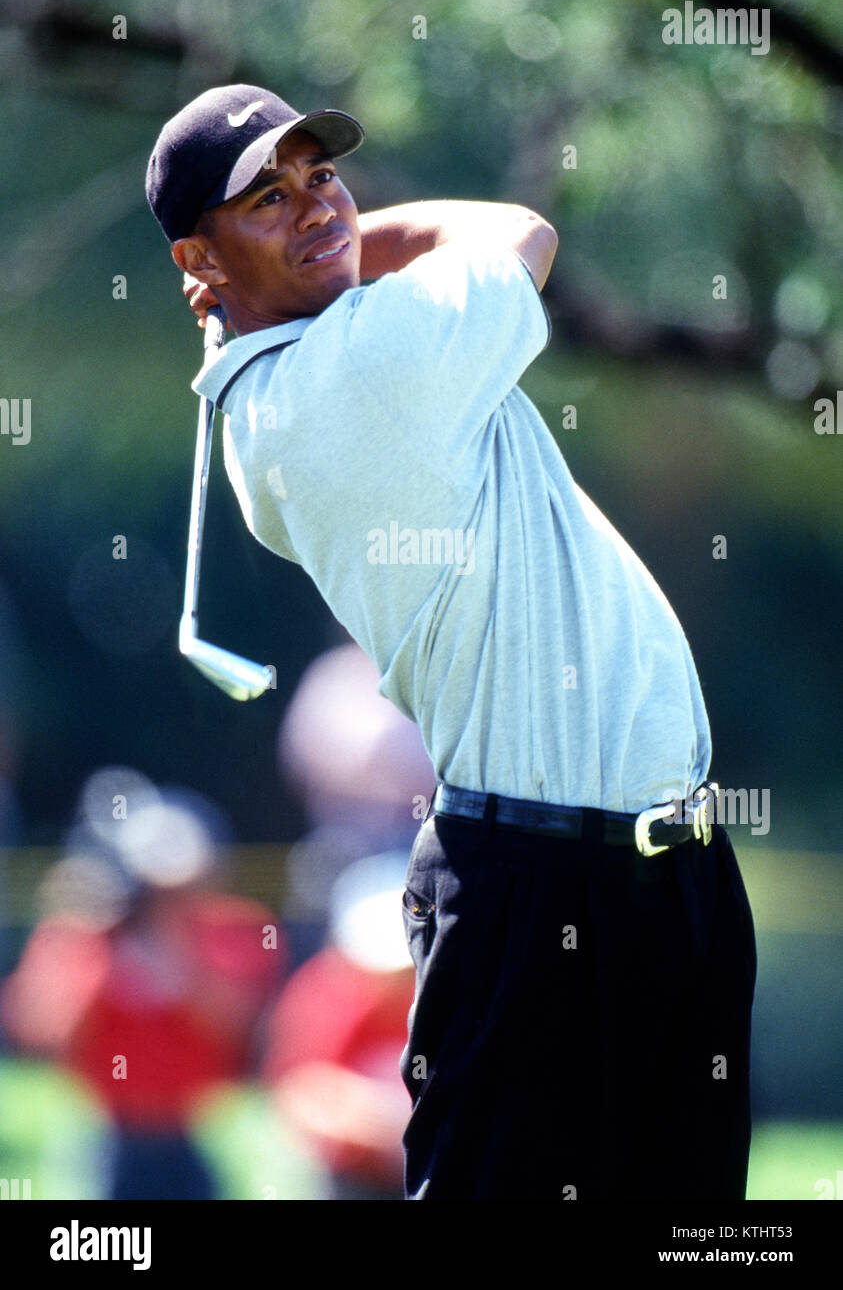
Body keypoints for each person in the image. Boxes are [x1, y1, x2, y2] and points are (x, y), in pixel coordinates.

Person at [145, 83, 757, 1200]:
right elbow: (522, 232)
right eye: (267, 200)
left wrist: (305, 250)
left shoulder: (330, 358)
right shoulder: (353, 369)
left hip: (661, 879)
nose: (318, 206)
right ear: (201, 261)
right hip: (546, 889)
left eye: (319, 176)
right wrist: (357, 244)